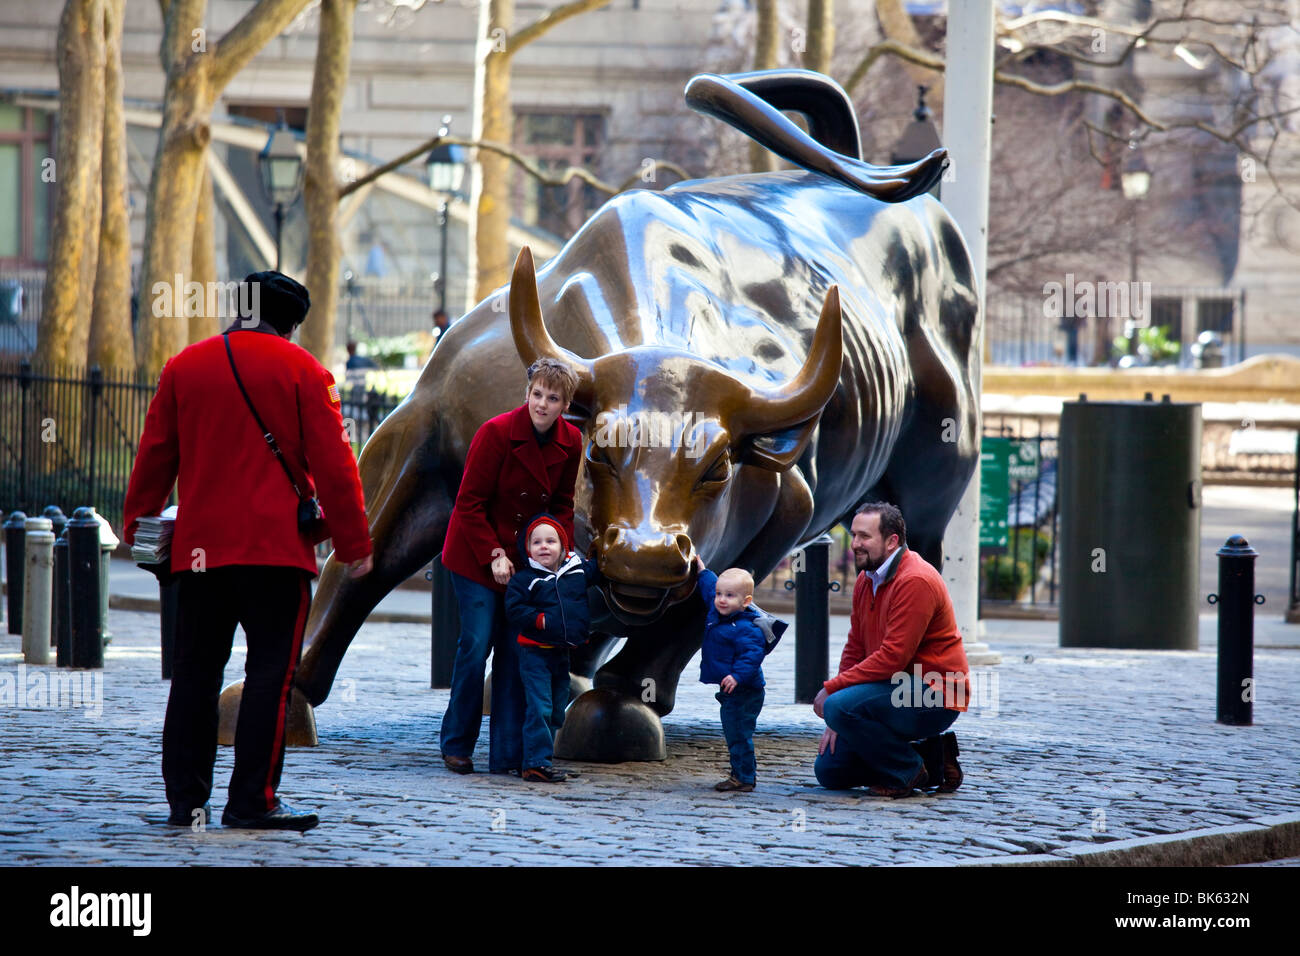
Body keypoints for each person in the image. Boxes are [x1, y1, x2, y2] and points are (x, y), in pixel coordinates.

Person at [123, 271, 373, 832]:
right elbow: (336, 468)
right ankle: (252, 801)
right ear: (290, 324)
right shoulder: (305, 371)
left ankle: (185, 801)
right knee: (268, 679)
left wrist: (138, 528)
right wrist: (355, 544)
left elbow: (155, 460)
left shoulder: (184, 367)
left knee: (193, 675)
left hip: (202, 554)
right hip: (277, 555)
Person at [437, 358, 582, 775]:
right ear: (527, 393)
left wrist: (556, 552)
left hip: (525, 564)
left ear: (564, 405)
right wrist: (494, 554)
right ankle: (456, 743)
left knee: (516, 652)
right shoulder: (496, 433)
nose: (542, 404)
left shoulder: (571, 442)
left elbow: (562, 507)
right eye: (537, 394)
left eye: (553, 398)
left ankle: (506, 753)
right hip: (475, 555)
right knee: (477, 644)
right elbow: (469, 503)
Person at [812, 503, 968, 798]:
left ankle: (906, 770)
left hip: (935, 691)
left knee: (837, 706)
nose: (855, 543)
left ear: (891, 541)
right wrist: (838, 714)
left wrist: (835, 696)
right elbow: (855, 646)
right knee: (830, 771)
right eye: (854, 535)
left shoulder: (916, 580)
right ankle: (934, 760)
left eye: (864, 537)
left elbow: (892, 658)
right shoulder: (865, 578)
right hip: (891, 688)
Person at [503, 515, 600, 783]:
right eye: (537, 542)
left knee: (557, 708)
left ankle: (542, 757)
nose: (544, 546)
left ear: (563, 545)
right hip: (535, 654)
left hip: (561, 652)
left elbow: (601, 569)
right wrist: (538, 619)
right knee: (540, 707)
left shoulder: (576, 571)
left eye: (550, 541)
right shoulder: (526, 579)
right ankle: (535, 763)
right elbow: (514, 608)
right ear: (528, 548)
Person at [694, 556, 767, 793]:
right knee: (733, 730)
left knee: (738, 733)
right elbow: (708, 589)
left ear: (746, 602)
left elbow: (752, 656)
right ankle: (742, 774)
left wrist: (737, 676)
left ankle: (744, 777)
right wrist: (702, 571)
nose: (721, 600)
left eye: (729, 595)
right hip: (731, 690)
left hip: (745, 691)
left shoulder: (747, 627)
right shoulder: (718, 613)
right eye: (719, 594)